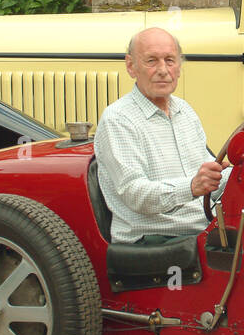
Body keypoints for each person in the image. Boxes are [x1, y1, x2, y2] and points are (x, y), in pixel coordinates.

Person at [94, 26, 227, 244]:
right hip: (155, 239)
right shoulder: (118, 118)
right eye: (152, 61)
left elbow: (210, 179)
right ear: (131, 66)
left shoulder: (184, 111)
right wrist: (192, 187)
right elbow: (134, 193)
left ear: (179, 67)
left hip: (201, 228)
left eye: (170, 60)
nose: (163, 70)